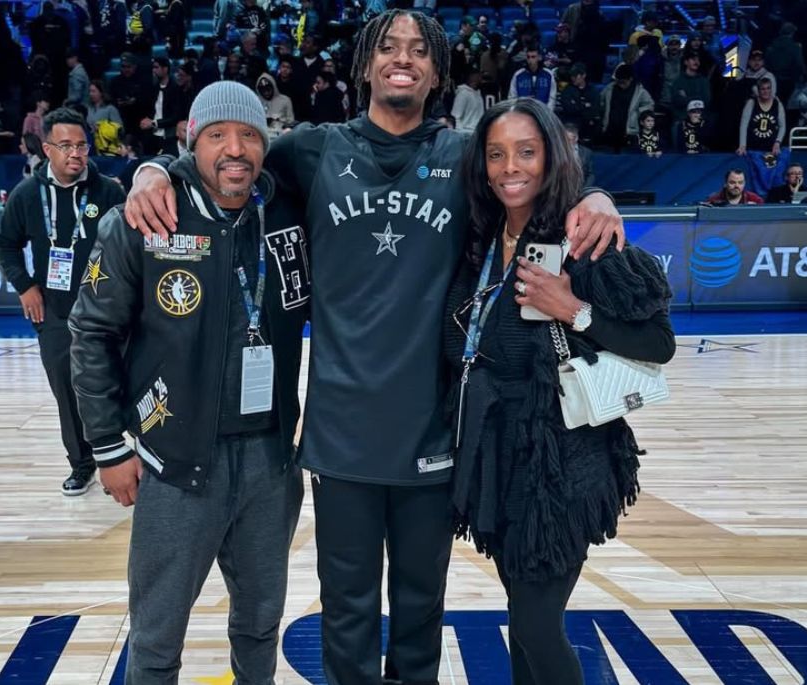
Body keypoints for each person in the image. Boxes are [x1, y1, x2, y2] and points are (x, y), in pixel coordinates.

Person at [123, 10, 626, 684]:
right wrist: (151, 171)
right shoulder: (315, 148)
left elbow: (533, 172)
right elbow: (227, 156)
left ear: (437, 71)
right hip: (341, 437)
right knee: (348, 620)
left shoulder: (461, 155)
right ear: (365, 63)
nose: (404, 59)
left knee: (420, 616)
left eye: (420, 50)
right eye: (388, 47)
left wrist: (596, 195)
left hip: (433, 434)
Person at [69, 81, 307, 685]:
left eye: (249, 135)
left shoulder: (287, 212)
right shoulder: (148, 216)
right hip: (174, 464)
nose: (235, 149)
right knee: (156, 637)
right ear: (191, 141)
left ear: (265, 144)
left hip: (270, 463)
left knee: (259, 625)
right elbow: (91, 334)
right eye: (217, 135)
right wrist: (108, 447)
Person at [447, 97, 675, 685]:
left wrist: (573, 310)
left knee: (536, 624)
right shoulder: (480, 235)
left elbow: (658, 342)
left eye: (526, 151)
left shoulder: (584, 235)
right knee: (523, 623)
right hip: (496, 460)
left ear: (552, 156)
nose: (510, 167)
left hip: (562, 467)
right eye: (497, 154)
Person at [0, 108, 126, 496]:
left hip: (110, 309)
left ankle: (121, 456)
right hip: (56, 310)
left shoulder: (109, 191)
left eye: (81, 145)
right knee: (67, 391)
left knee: (120, 383)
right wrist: (25, 286)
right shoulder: (27, 195)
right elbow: (7, 244)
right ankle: (82, 464)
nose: (76, 154)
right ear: (47, 148)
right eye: (65, 145)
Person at [737, 78, 785, 157]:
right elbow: (744, 125)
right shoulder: (751, 103)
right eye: (763, 89)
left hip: (771, 148)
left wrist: (777, 142)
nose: (766, 91)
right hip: (752, 148)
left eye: (768, 88)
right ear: (758, 90)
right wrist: (742, 145)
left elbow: (782, 126)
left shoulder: (777, 104)